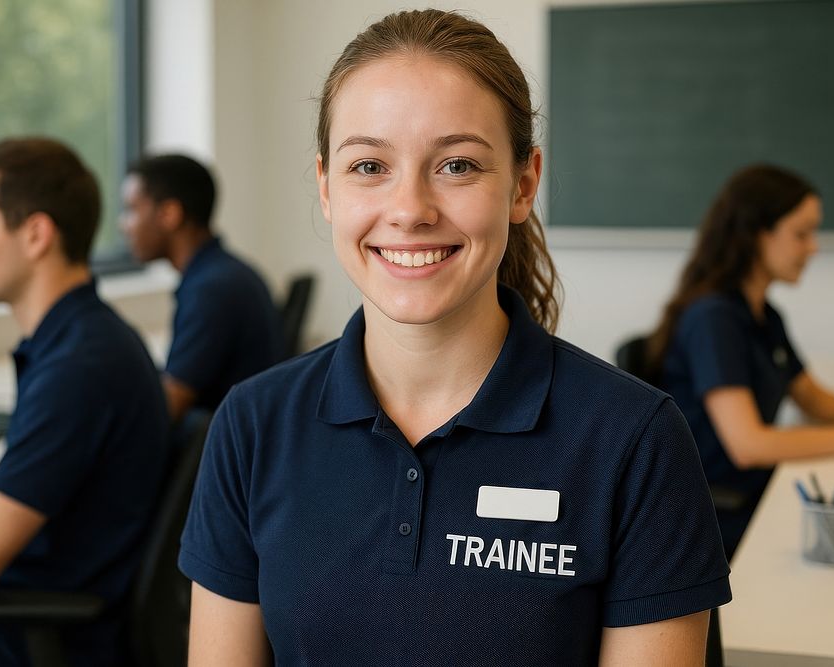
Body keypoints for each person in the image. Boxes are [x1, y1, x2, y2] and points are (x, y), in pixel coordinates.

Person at [178, 10, 731, 665]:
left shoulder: (635, 441)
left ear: (523, 184)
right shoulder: (251, 424)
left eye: (458, 164)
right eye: (369, 166)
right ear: (326, 187)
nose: (410, 209)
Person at [0, 137, 169, 666]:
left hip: (38, 635)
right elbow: (17, 478)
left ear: (35, 235)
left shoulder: (78, 368)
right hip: (44, 605)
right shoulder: (83, 338)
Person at [646, 164, 834, 558]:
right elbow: (748, 445)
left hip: (754, 494)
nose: (813, 247)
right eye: (801, 234)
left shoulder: (764, 315)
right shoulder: (714, 318)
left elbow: (811, 396)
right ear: (755, 234)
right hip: (716, 514)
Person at [121, 154, 283, 420]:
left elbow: (169, 407)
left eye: (131, 210)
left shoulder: (211, 289)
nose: (124, 225)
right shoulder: (226, 271)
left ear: (169, 214)